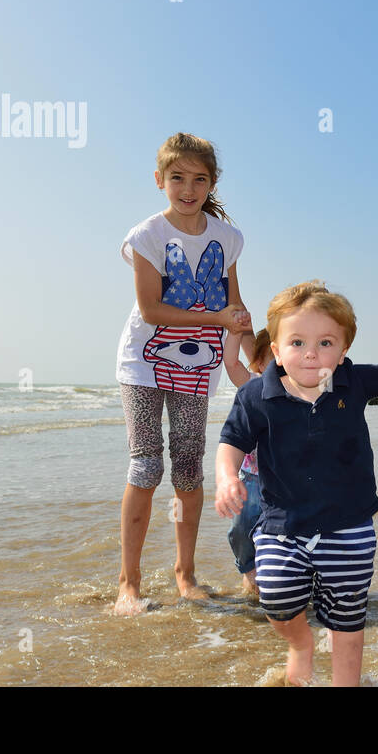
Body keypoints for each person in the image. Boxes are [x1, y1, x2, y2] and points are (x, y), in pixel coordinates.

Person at [214, 281, 378, 686]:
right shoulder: (256, 395)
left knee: (347, 616)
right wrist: (225, 479)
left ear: (343, 350)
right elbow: (231, 443)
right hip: (282, 526)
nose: (311, 353)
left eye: (325, 342)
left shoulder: (352, 381)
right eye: (296, 342)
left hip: (349, 525)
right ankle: (300, 644)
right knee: (275, 598)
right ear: (275, 349)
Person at [114, 132, 252, 615]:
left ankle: (185, 573)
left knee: (189, 468)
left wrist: (260, 362)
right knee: (147, 464)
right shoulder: (148, 235)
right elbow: (151, 310)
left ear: (212, 182)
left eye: (199, 179)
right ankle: (128, 582)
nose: (188, 189)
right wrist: (218, 319)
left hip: (198, 368)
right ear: (160, 181)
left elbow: (234, 306)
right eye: (177, 178)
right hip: (144, 364)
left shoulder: (227, 239)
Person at [220, 326, 273, 597]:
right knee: (241, 529)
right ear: (260, 362)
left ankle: (283, 577)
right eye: (269, 360)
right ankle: (248, 570)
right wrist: (237, 332)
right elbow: (231, 362)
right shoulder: (253, 385)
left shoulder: (304, 388)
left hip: (283, 479)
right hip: (250, 476)